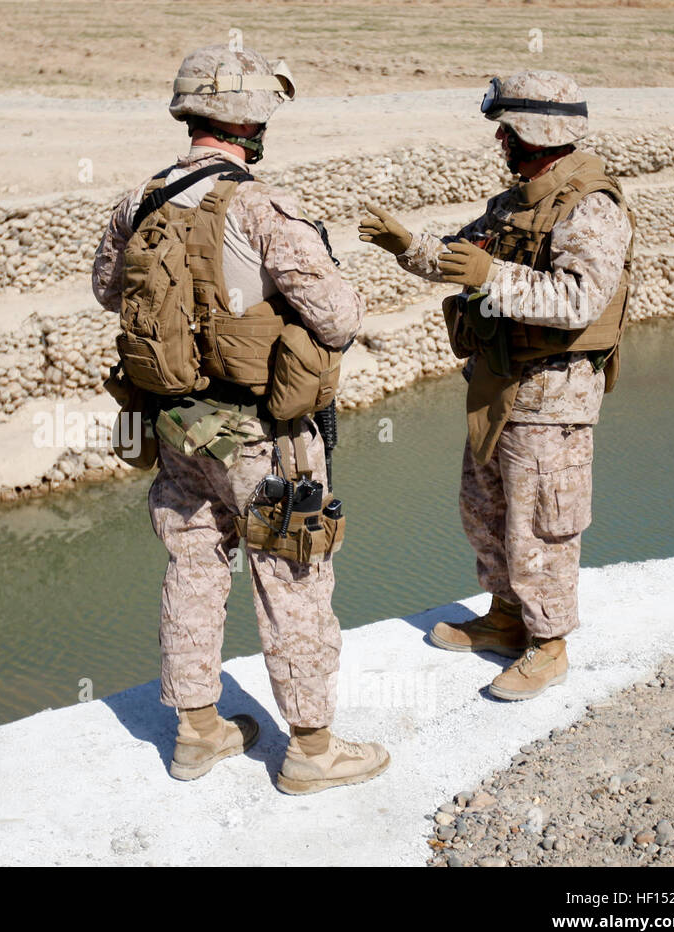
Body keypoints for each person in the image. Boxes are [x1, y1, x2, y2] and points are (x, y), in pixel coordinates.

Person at [92, 43, 389, 794]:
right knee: (291, 574)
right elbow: (340, 315)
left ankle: (196, 732)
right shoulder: (259, 206)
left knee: (193, 563)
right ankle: (314, 751)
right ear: (253, 122)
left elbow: (107, 290)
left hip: (177, 423)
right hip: (259, 435)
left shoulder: (141, 200)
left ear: (189, 114)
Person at [359, 70, 634, 701]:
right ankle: (507, 618)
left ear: (538, 133)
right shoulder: (519, 200)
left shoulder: (590, 205)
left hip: (552, 396)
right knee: (486, 512)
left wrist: (491, 276)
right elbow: (465, 257)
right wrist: (408, 247)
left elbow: (578, 302)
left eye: (507, 131)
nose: (501, 143)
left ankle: (549, 642)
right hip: (497, 387)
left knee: (541, 525)